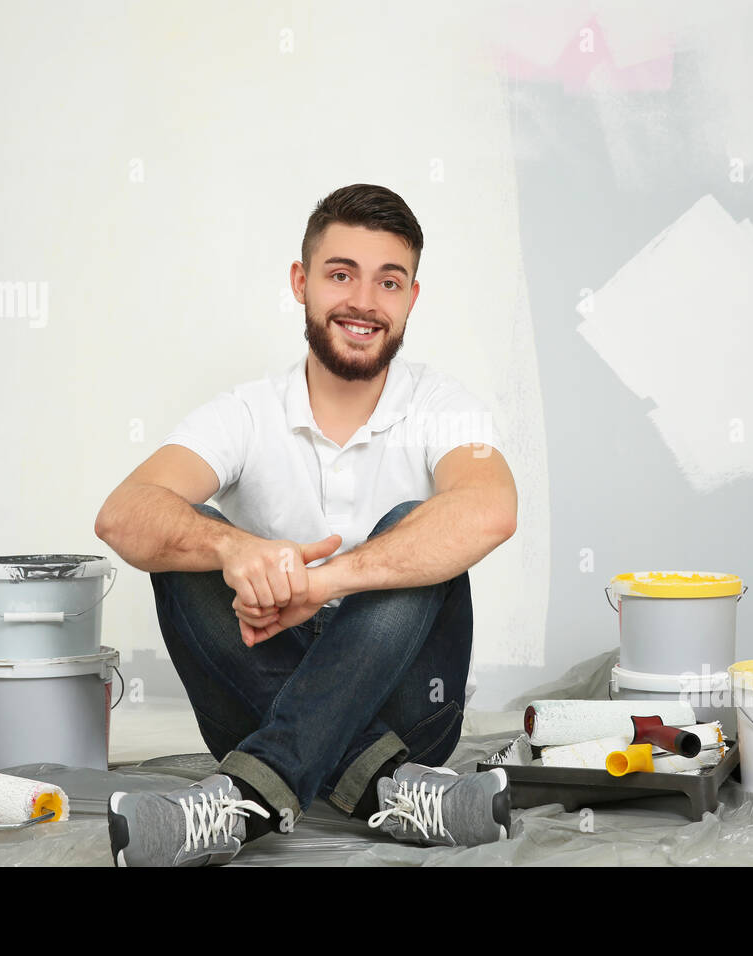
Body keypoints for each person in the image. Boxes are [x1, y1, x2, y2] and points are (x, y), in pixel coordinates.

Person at [94, 183, 519, 866]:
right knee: (187, 537)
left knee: (416, 525)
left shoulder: (443, 406)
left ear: (412, 298)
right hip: (255, 700)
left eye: (389, 281)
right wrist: (234, 548)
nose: (364, 301)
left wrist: (323, 583)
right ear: (302, 282)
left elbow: (491, 510)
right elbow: (122, 514)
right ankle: (394, 791)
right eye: (341, 274)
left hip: (410, 713)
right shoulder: (246, 412)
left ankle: (246, 799)